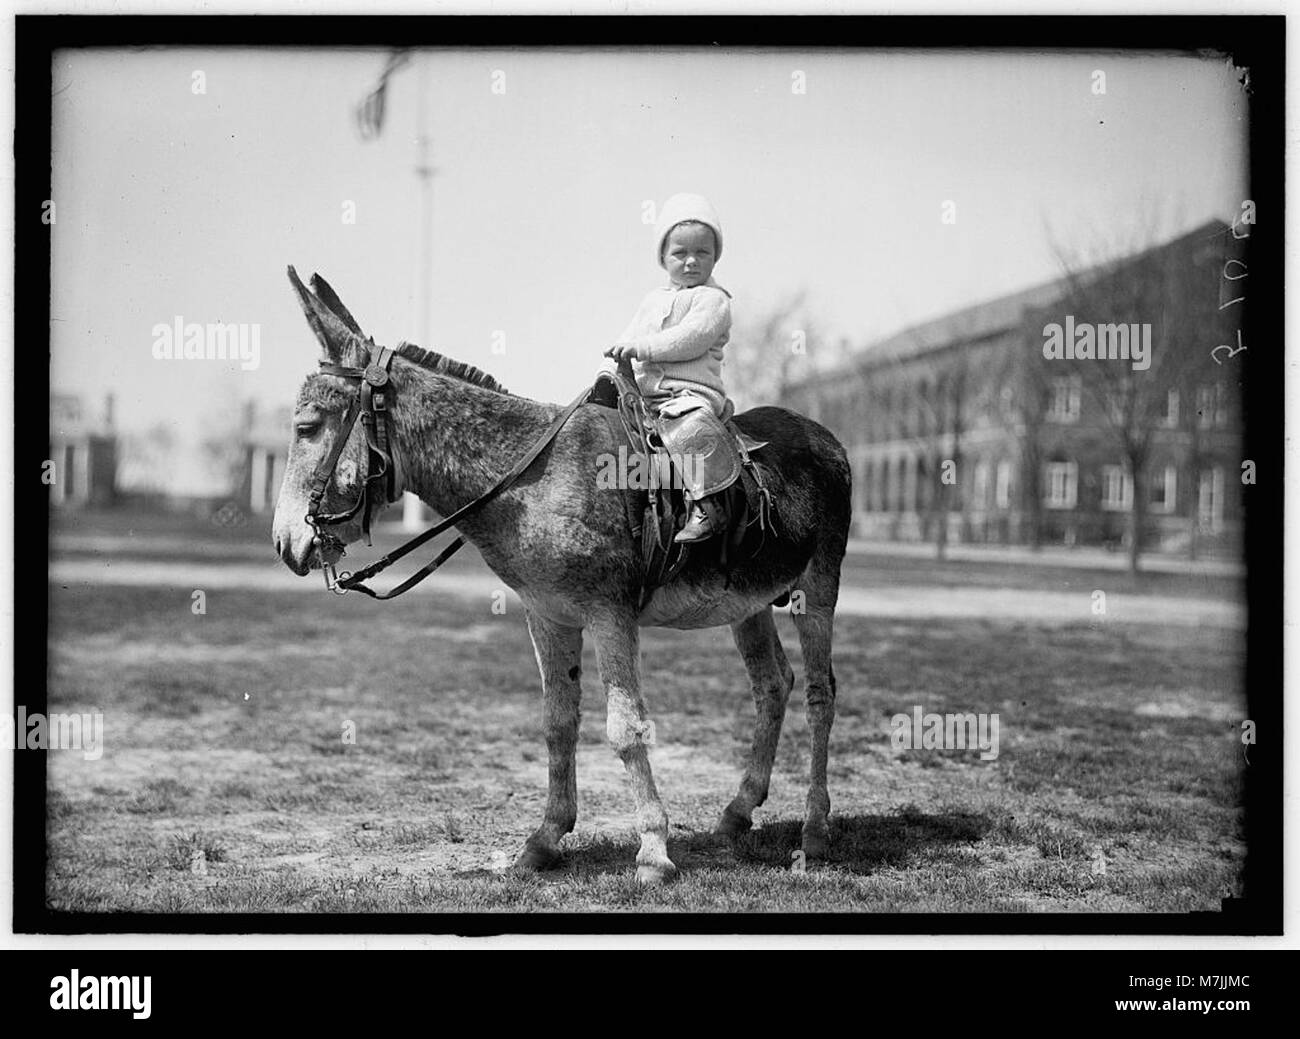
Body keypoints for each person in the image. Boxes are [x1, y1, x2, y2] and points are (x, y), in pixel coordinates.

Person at [606, 193, 736, 543]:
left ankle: (707, 505)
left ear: (715, 256)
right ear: (663, 258)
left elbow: (689, 339)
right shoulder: (652, 301)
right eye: (680, 253)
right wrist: (618, 353)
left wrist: (642, 348)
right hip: (647, 398)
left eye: (702, 253)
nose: (691, 261)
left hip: (690, 394)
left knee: (690, 428)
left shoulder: (714, 300)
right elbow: (631, 334)